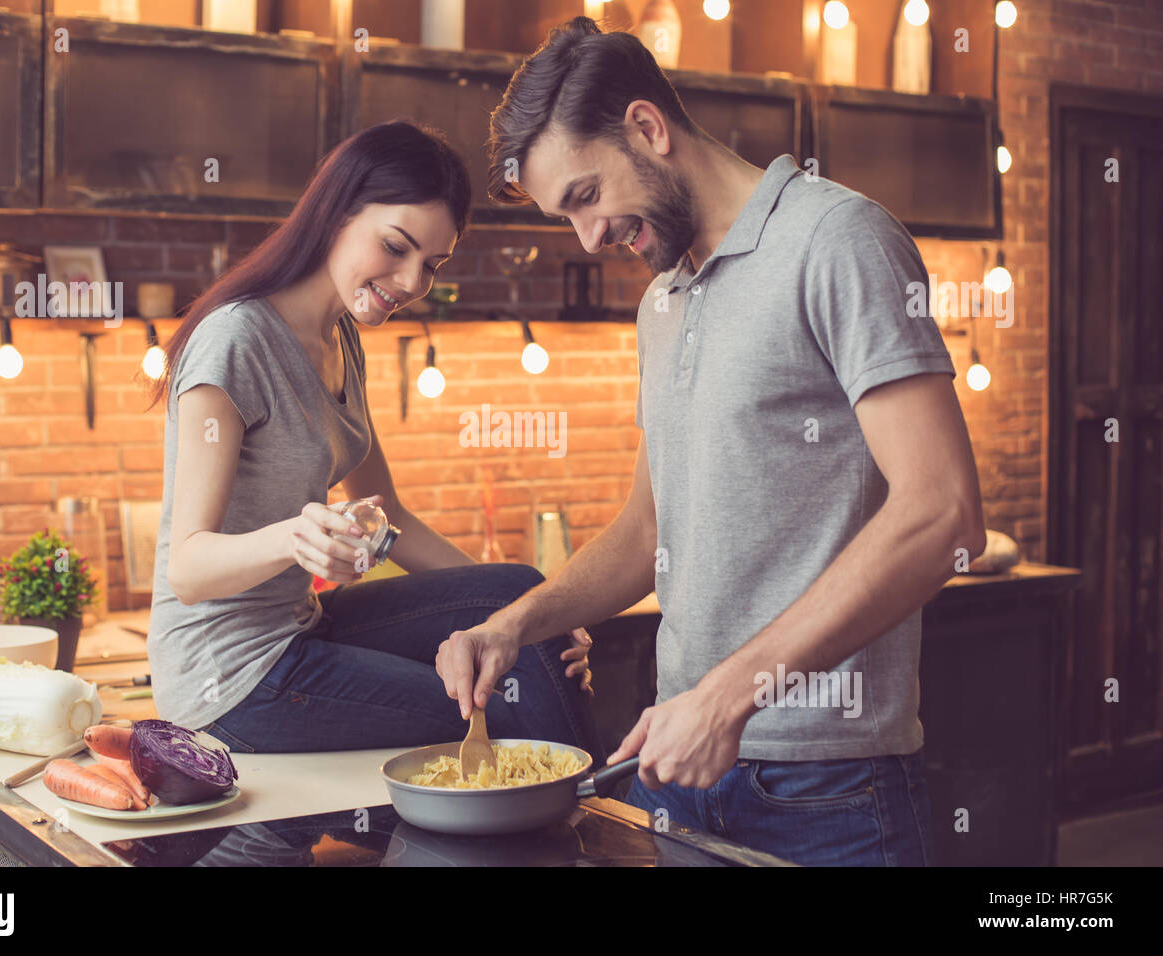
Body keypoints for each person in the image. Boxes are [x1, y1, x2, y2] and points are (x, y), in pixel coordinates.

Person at [434, 18, 986, 866]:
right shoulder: (666, 300)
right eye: (564, 216)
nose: (588, 238)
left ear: (648, 129)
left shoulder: (838, 242)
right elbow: (644, 534)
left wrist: (729, 697)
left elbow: (943, 514)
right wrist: (514, 623)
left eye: (586, 196)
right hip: (680, 773)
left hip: (829, 791)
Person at [145, 121, 599, 758]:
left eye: (431, 264)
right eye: (395, 246)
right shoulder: (236, 340)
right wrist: (293, 537)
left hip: (302, 630)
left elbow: (392, 518)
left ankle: (589, 809)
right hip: (231, 680)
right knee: (496, 710)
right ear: (335, 214)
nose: (414, 282)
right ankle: (588, 822)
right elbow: (187, 570)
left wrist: (536, 617)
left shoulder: (341, 339)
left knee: (515, 589)